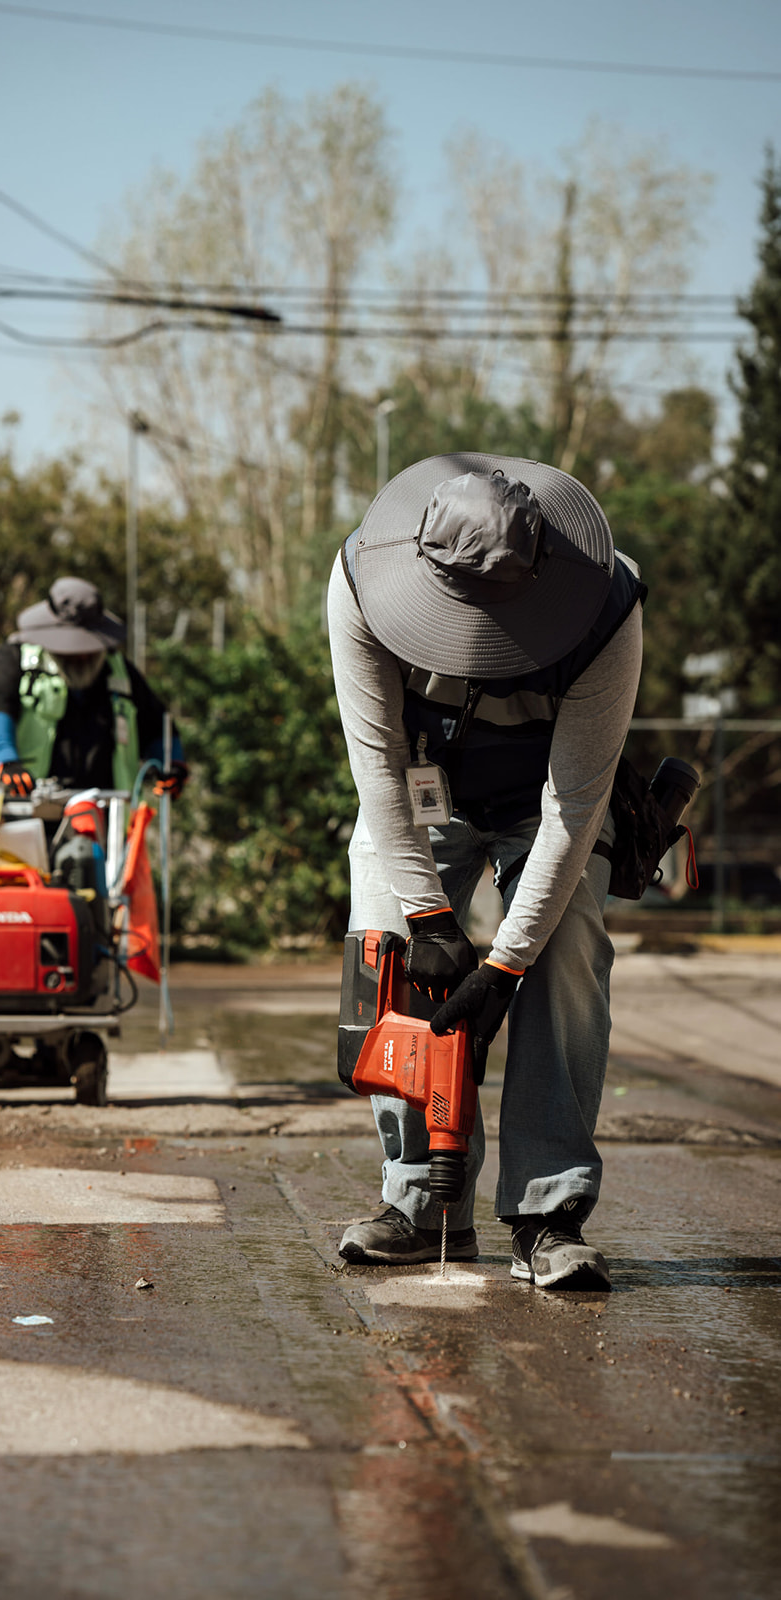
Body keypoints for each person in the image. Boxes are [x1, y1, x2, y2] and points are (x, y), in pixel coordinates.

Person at [328, 454, 644, 1291]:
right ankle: (420, 1204)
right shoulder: (360, 583)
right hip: (422, 796)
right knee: (386, 951)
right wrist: (428, 920)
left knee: (565, 941)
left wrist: (503, 965)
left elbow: (575, 805)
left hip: (547, 804)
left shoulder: (607, 605)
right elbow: (377, 763)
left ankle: (547, 1213)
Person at [0, 576, 187, 800]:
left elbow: (157, 724)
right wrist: (5, 760)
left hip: (105, 810)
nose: (82, 655)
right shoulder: (14, 660)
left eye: (89, 649)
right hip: (31, 807)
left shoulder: (118, 670)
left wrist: (172, 765)